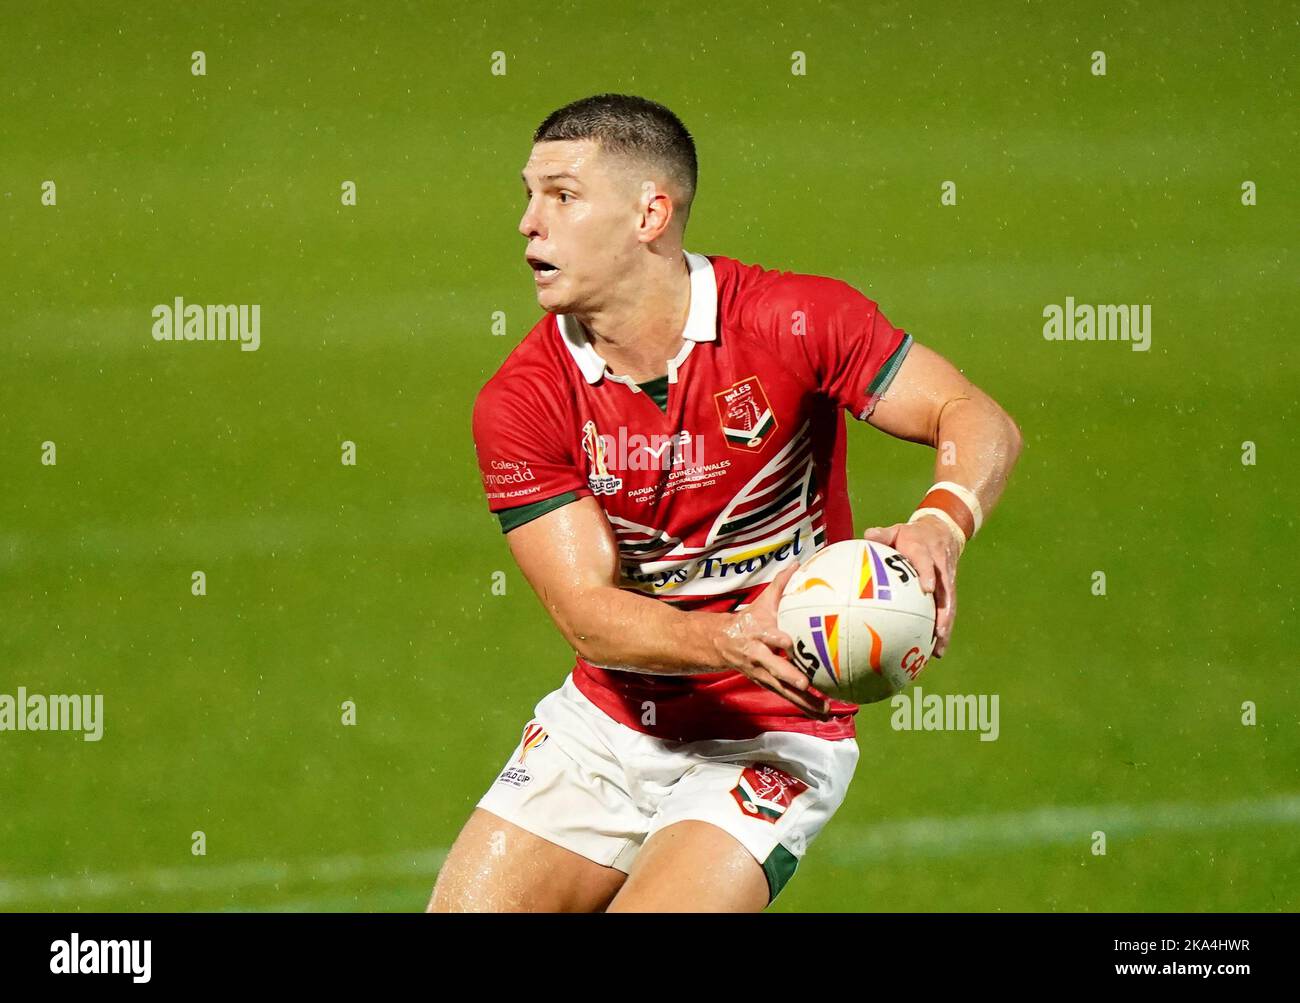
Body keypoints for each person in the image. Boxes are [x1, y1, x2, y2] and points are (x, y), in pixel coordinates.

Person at [428, 93, 1022, 913]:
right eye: (528, 195)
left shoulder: (794, 319)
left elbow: (976, 417)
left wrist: (942, 522)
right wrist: (727, 638)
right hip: (605, 727)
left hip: (774, 736)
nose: (528, 222)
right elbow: (587, 612)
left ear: (650, 213)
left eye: (561, 196)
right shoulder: (523, 399)